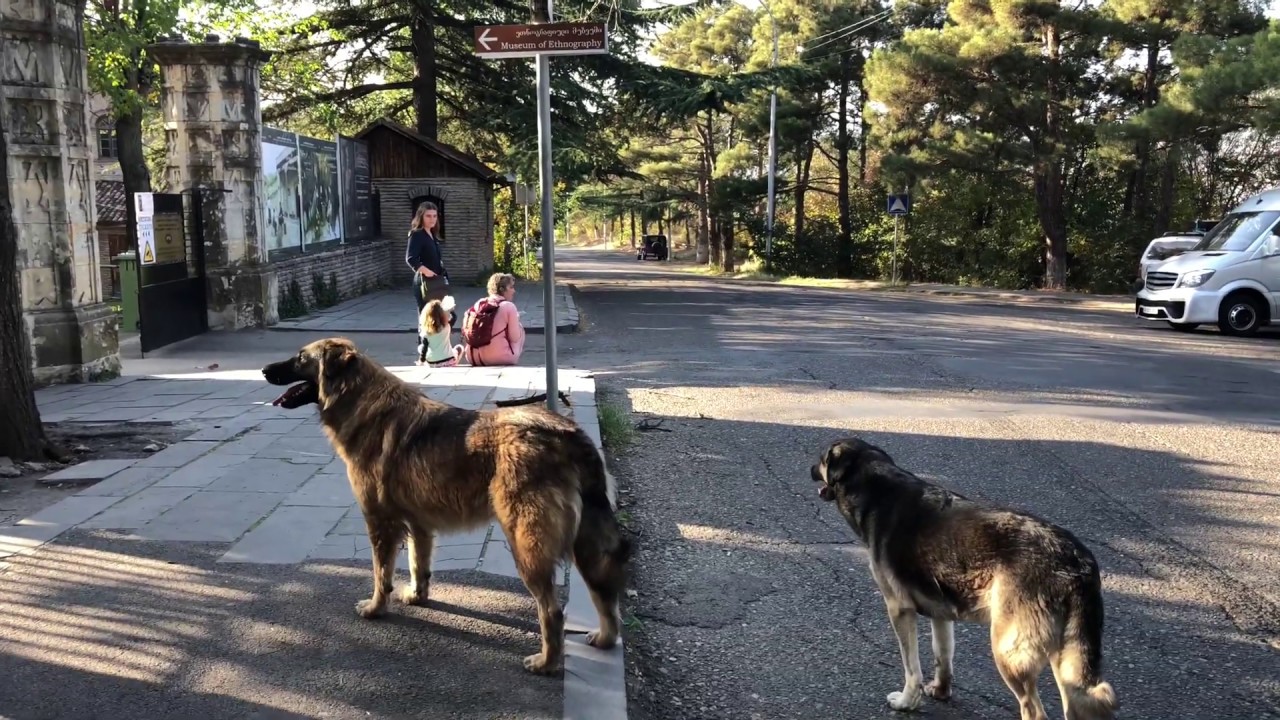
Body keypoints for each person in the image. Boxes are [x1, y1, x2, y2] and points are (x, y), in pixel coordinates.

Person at [405, 201, 453, 360]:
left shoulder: (432, 234)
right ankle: (424, 355)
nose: (432, 219)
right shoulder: (417, 234)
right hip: (424, 283)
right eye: (428, 216)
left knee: (447, 315)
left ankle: (437, 350)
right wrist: (427, 272)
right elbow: (411, 259)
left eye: (434, 216)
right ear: (421, 216)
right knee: (426, 318)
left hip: (437, 282)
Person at [456, 273, 525, 367]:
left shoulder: (479, 303)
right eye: (511, 287)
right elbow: (515, 338)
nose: (514, 291)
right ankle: (510, 354)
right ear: (502, 289)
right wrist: (516, 320)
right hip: (498, 357)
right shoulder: (509, 306)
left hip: (472, 357)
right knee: (519, 327)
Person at [417, 296, 458, 367]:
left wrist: (421, 360)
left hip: (432, 363)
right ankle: (453, 363)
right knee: (458, 348)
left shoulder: (426, 332)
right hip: (448, 361)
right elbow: (454, 317)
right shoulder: (447, 326)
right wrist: (450, 308)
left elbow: (424, 349)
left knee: (420, 347)